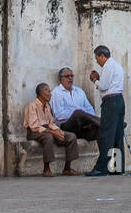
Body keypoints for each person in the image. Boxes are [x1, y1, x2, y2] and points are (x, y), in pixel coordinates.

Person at [24, 83, 79, 175]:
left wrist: (57, 130)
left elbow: (50, 123)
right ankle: (46, 169)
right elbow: (34, 126)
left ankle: (67, 168)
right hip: (34, 131)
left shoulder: (47, 106)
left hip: (47, 129)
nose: (50, 94)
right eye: (48, 91)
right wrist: (53, 133)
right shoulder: (32, 106)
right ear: (41, 93)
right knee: (48, 137)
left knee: (71, 136)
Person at [86, 45, 125, 176]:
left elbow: (104, 86)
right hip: (119, 100)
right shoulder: (117, 65)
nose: (97, 61)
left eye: (97, 58)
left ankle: (101, 168)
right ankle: (116, 168)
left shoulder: (108, 66)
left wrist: (95, 80)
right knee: (117, 135)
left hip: (111, 102)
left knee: (106, 135)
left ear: (102, 56)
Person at [49, 68, 100, 143]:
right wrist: (78, 115)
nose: (70, 78)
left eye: (71, 76)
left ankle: (104, 153)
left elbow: (90, 108)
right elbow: (59, 115)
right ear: (60, 79)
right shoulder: (56, 92)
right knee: (78, 113)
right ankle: (102, 122)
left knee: (100, 131)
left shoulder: (79, 91)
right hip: (66, 126)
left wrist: (83, 117)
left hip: (82, 126)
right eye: (67, 76)